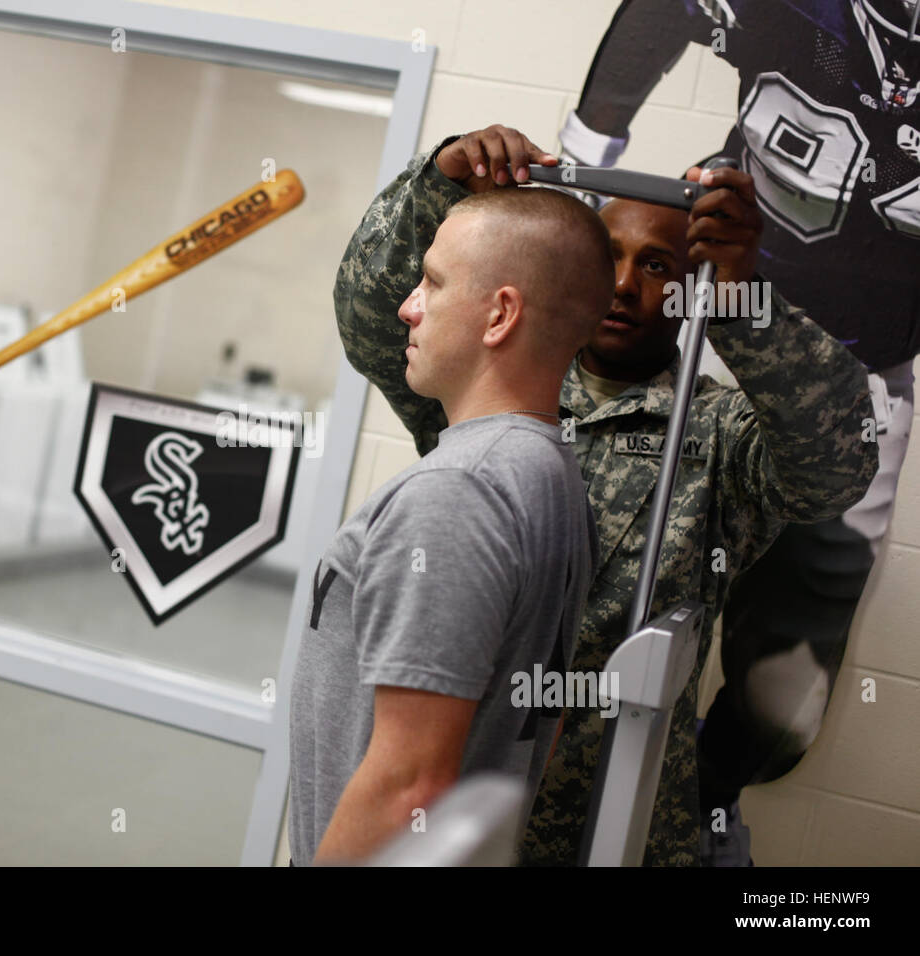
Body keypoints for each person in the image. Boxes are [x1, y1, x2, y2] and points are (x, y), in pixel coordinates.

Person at [333, 124, 879, 865]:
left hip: (615, 828)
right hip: (456, 816)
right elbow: (370, 319)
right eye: (610, 258)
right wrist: (440, 181)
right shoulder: (494, 383)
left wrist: (744, 297)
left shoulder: (715, 432)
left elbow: (836, 461)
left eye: (658, 265)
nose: (624, 286)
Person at [561, 0, 920, 863]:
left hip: (858, 385)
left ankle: (698, 809)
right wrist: (581, 156)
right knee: (605, 574)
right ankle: (565, 780)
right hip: (707, 340)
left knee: (788, 694)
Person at [286, 178, 611, 866]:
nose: (407, 307)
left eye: (431, 283)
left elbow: (411, 785)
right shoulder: (547, 474)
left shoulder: (458, 492)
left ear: (500, 315)